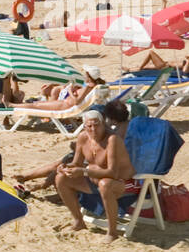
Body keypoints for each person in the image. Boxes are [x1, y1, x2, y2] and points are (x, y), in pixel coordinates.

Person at [54, 103, 135, 241]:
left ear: (104, 124)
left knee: (105, 184)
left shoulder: (112, 140)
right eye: (89, 126)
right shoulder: (83, 137)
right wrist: (66, 167)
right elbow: (77, 163)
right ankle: (78, 221)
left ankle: (112, 232)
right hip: (94, 180)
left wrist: (84, 171)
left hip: (124, 184)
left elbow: (113, 173)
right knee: (60, 178)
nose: (93, 129)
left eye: (96, 125)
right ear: (84, 126)